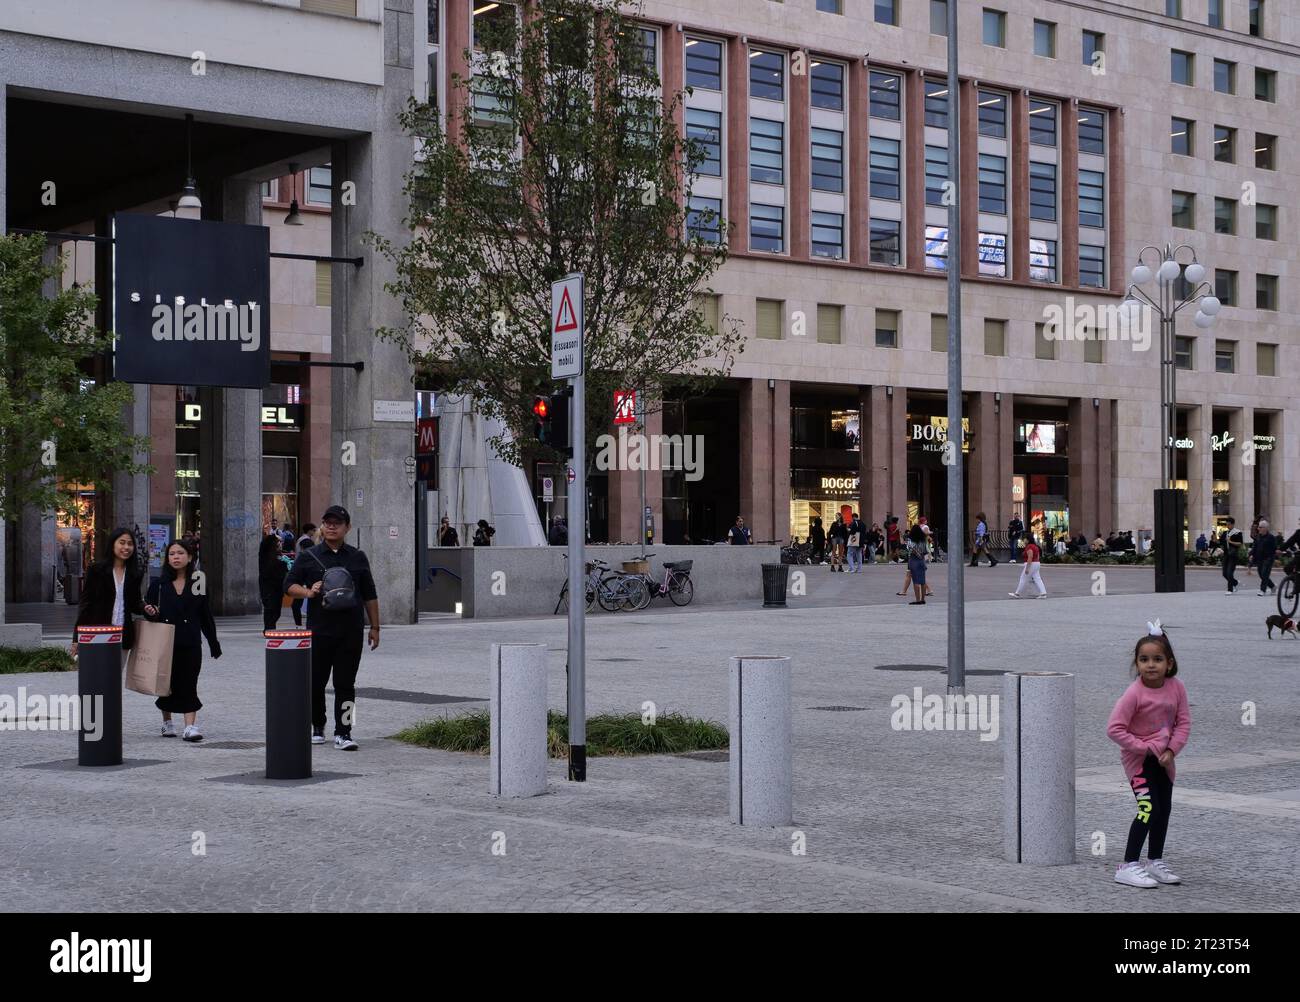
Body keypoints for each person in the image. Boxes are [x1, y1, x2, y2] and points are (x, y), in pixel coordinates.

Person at [284, 506, 380, 752]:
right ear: (322, 527)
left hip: (350, 631)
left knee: (346, 684)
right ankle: (317, 725)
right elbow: (288, 585)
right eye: (327, 523)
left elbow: (370, 594)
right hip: (319, 630)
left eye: (337, 523)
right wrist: (308, 592)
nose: (332, 527)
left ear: (347, 527)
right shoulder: (309, 555)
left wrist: (375, 627)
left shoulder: (357, 557)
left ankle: (344, 732)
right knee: (315, 682)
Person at [1106, 622, 1191, 888]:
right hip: (1139, 761)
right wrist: (1145, 748)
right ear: (1137, 663)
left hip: (1164, 760)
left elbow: (1184, 722)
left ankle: (1154, 861)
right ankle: (1128, 865)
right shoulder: (1134, 693)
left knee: (1163, 809)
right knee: (1147, 809)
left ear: (1169, 662)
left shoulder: (1176, 687)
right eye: (1144, 659)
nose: (1150, 665)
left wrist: (1170, 750)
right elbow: (1114, 729)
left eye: (1157, 659)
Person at [145, 539, 221, 741]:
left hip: (190, 641)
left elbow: (204, 614)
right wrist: (151, 612)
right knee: (165, 683)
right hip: (165, 642)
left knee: (189, 683)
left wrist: (213, 642)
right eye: (172, 554)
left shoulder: (197, 581)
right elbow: (151, 614)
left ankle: (190, 727)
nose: (176, 557)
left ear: (189, 557)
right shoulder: (158, 584)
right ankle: (167, 722)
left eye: (180, 553)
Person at [72, 527, 146, 659]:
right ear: (113, 545)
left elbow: (135, 604)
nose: (126, 547)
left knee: (115, 678)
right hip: (98, 635)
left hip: (123, 636)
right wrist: (77, 637)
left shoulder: (135, 574)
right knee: (98, 678)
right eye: (122, 542)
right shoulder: (96, 570)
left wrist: (146, 608)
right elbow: (85, 605)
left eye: (130, 544)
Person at [258, 532, 288, 632]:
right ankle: (269, 629)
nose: (280, 544)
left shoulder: (279, 559)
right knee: (270, 609)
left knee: (277, 612)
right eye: (278, 542)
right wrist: (273, 536)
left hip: (278, 589)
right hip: (268, 587)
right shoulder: (265, 557)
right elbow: (265, 544)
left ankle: (270, 628)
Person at [1008, 532, 1047, 599]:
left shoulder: (1029, 547)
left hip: (1031, 564)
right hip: (1037, 563)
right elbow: (1037, 556)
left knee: (1023, 578)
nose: (1024, 540)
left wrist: (1027, 568)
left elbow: (1030, 557)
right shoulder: (1035, 546)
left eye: (1025, 539)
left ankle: (1017, 593)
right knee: (1037, 578)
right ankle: (1043, 593)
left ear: (1028, 539)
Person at [905, 522, 929, 605]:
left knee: (915, 581)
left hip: (914, 560)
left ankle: (917, 600)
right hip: (922, 560)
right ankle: (923, 599)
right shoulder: (923, 540)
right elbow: (926, 551)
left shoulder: (910, 540)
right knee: (922, 580)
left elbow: (909, 549)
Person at [1220, 518, 1242, 594]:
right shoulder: (1225, 533)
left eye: (1229, 524)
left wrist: (1230, 541)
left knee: (1230, 572)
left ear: (1233, 524)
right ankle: (1235, 583)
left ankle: (1230, 589)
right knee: (1224, 573)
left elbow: (1240, 543)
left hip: (1233, 555)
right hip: (1226, 555)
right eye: (1226, 524)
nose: (1227, 526)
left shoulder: (1237, 532)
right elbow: (1221, 543)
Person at [1255, 518, 1277, 595]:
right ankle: (1273, 586)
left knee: (1265, 574)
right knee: (1261, 574)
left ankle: (1262, 590)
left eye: (1260, 527)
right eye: (1258, 527)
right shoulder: (1258, 537)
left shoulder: (1271, 537)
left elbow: (1274, 548)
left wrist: (1271, 556)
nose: (1258, 529)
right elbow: (1255, 547)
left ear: (1265, 528)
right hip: (1260, 558)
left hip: (1268, 558)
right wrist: (1251, 555)